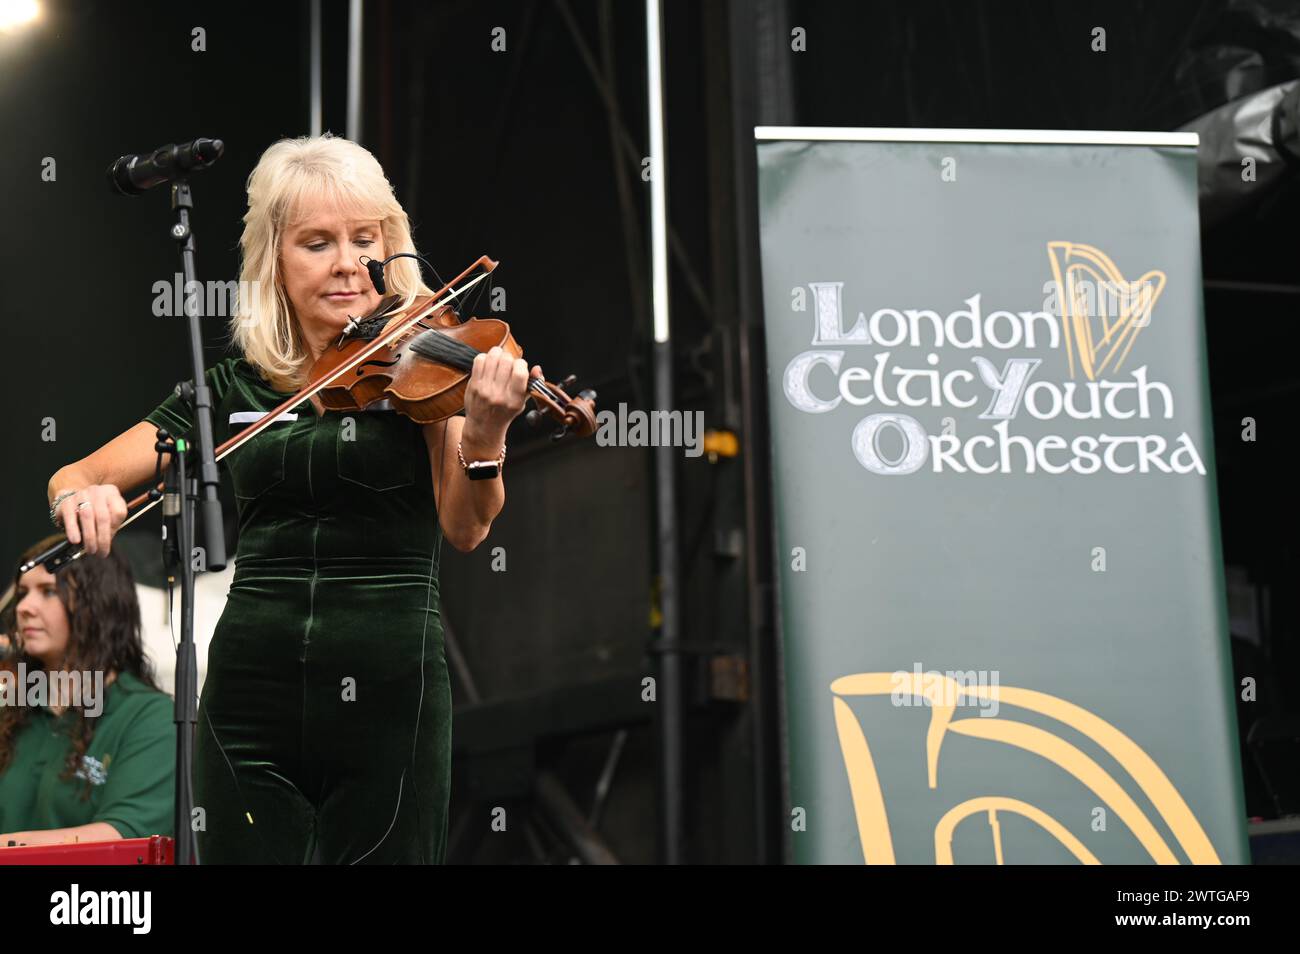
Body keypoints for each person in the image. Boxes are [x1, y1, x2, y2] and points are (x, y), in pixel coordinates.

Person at [45, 133, 537, 864]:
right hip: (248, 697)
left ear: (389, 244)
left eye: (363, 239)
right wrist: (82, 501)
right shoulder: (236, 385)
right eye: (316, 242)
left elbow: (465, 528)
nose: (346, 262)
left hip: (388, 696)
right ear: (274, 258)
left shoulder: (428, 358)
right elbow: (77, 474)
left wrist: (487, 435)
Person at [0, 537, 175, 848]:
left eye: (49, 591)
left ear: (97, 605)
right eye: (23, 593)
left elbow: (122, 839)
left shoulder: (152, 718)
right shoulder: (12, 701)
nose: (24, 608)